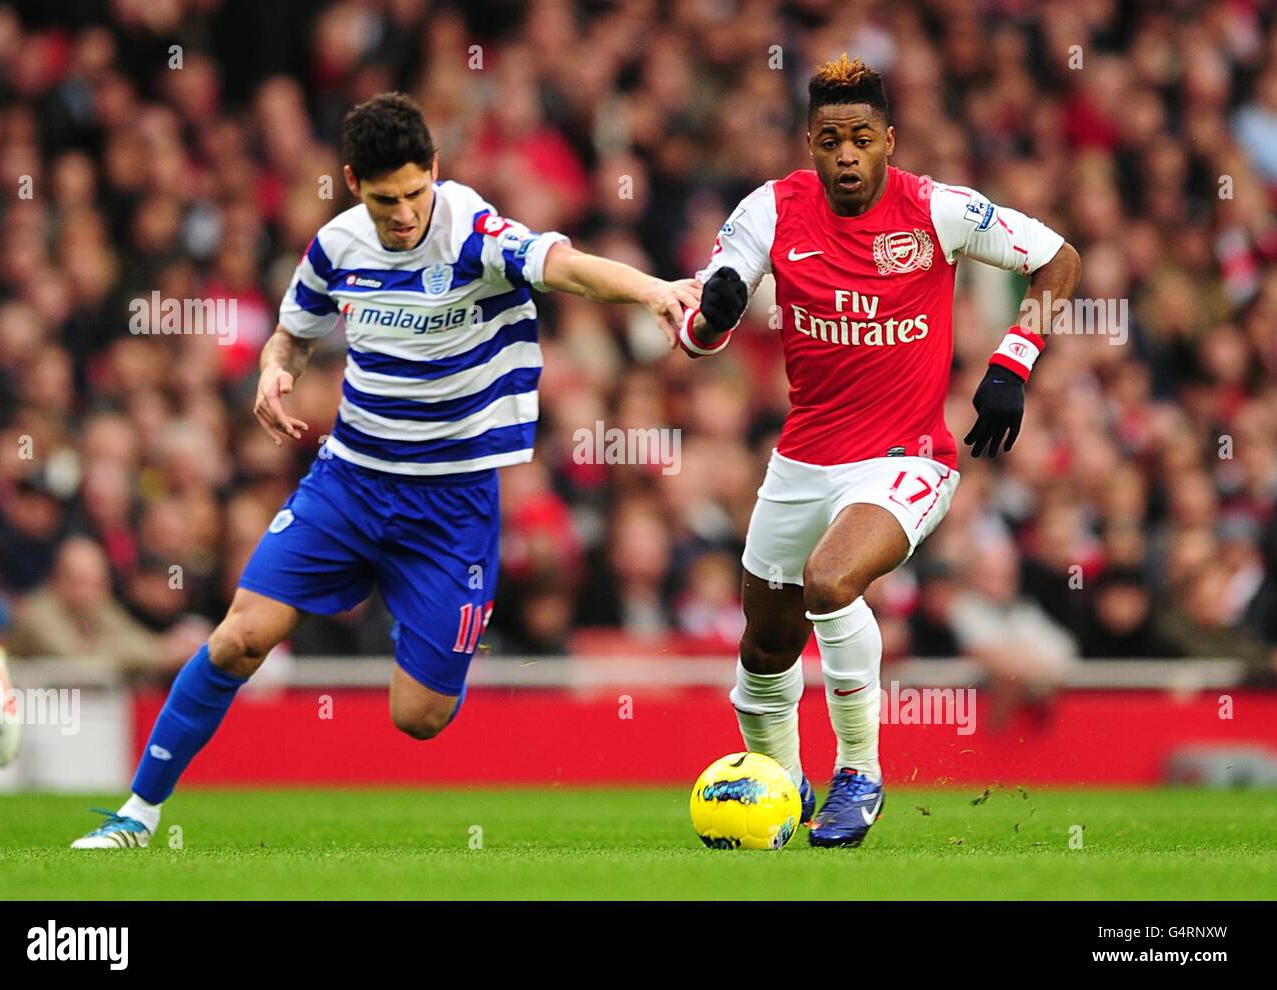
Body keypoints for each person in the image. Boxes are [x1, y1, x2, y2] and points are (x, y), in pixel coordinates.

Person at [70, 92, 698, 849]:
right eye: (382, 199)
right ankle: (136, 815)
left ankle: (440, 613)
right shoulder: (336, 247)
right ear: (351, 183)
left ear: (435, 170)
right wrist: (275, 373)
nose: (402, 214)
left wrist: (656, 291)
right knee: (239, 637)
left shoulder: (470, 230)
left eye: (413, 193)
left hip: (451, 504)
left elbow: (563, 266)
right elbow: (290, 336)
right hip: (350, 483)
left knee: (420, 717)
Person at [680, 54, 1081, 847]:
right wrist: (717, 314)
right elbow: (702, 323)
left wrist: (1013, 362)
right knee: (763, 647)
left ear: (890, 140)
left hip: (909, 457)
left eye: (862, 137)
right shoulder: (770, 210)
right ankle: (778, 786)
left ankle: (858, 772)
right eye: (830, 140)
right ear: (810, 144)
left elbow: (1058, 260)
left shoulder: (939, 210)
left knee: (830, 580)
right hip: (803, 459)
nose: (846, 155)